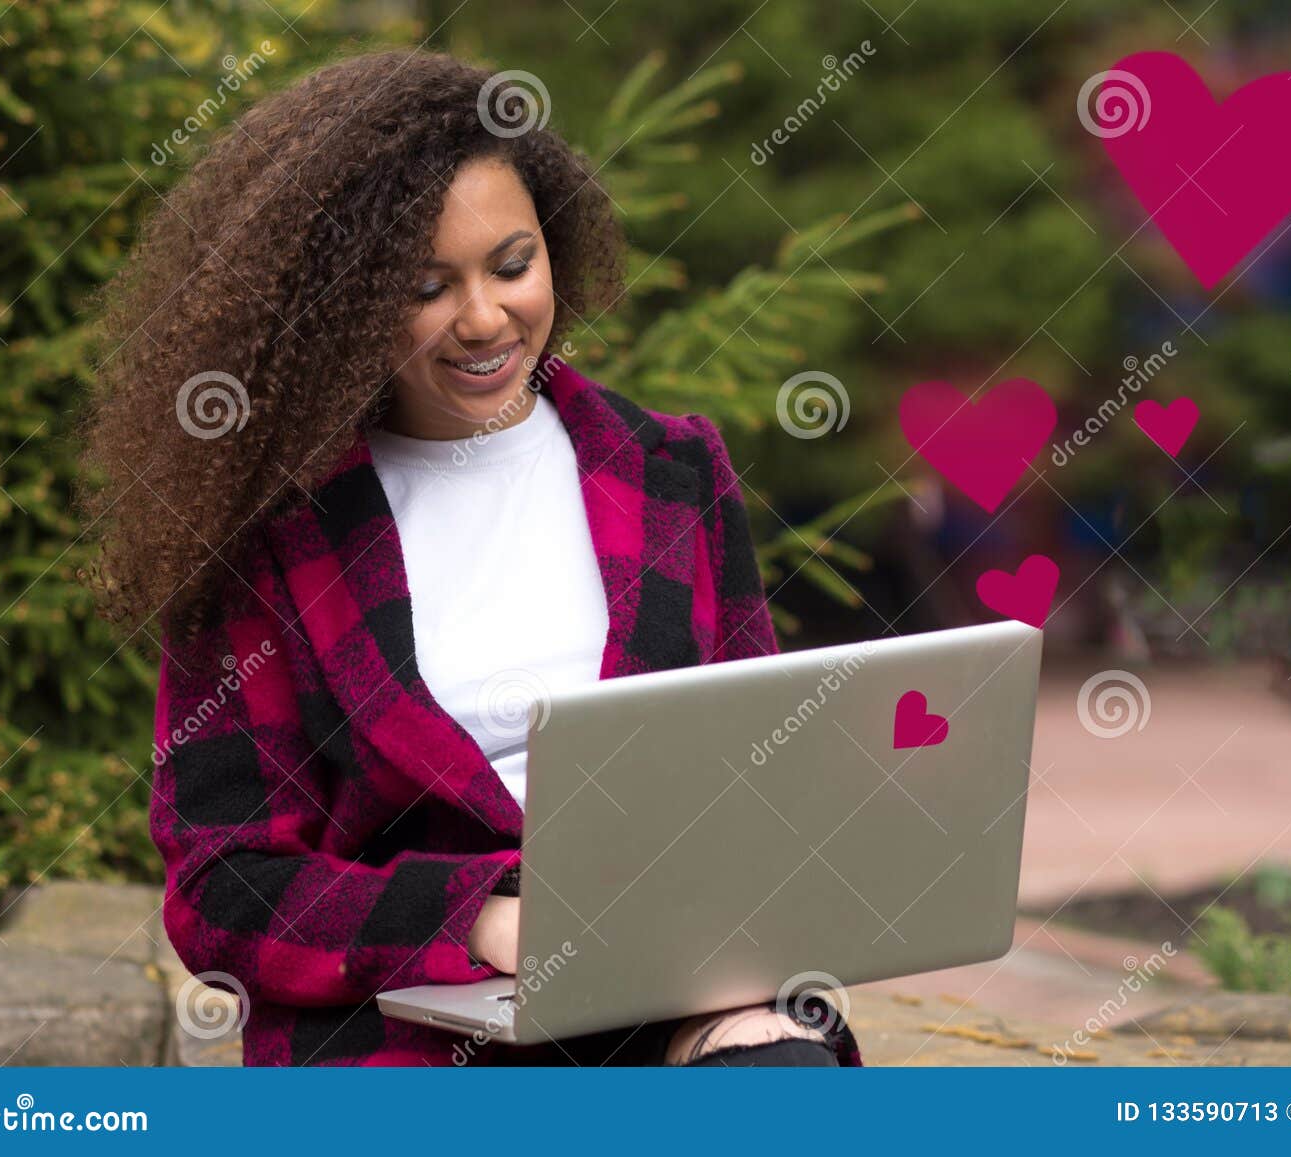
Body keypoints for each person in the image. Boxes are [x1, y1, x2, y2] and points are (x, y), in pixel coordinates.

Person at [75, 47, 861, 1068]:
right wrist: (482, 921)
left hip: (670, 980)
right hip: (412, 1016)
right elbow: (226, 890)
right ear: (342, 302)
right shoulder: (267, 537)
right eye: (425, 285)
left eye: (510, 264)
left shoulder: (673, 471)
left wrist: (731, 978)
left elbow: (761, 766)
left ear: (556, 250)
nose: (485, 319)